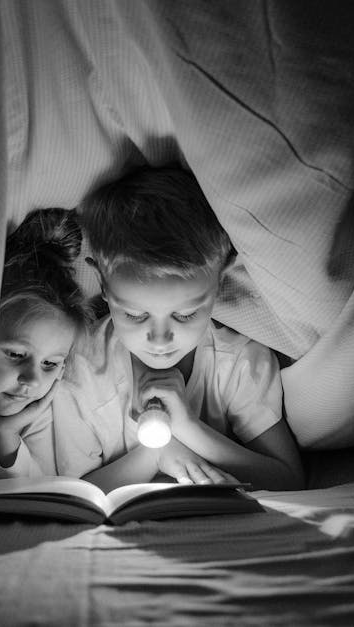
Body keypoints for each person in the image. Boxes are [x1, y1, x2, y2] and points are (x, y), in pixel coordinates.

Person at [55, 165, 304, 492]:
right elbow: (70, 492)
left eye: (186, 314)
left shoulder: (239, 362)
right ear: (102, 282)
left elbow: (289, 479)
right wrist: (155, 456)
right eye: (134, 314)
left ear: (219, 281)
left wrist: (187, 427)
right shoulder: (80, 368)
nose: (160, 340)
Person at [0, 208, 94, 496]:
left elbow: (36, 497)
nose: (32, 380)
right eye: (15, 355)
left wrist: (6, 436)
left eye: (51, 363)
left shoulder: (37, 415)